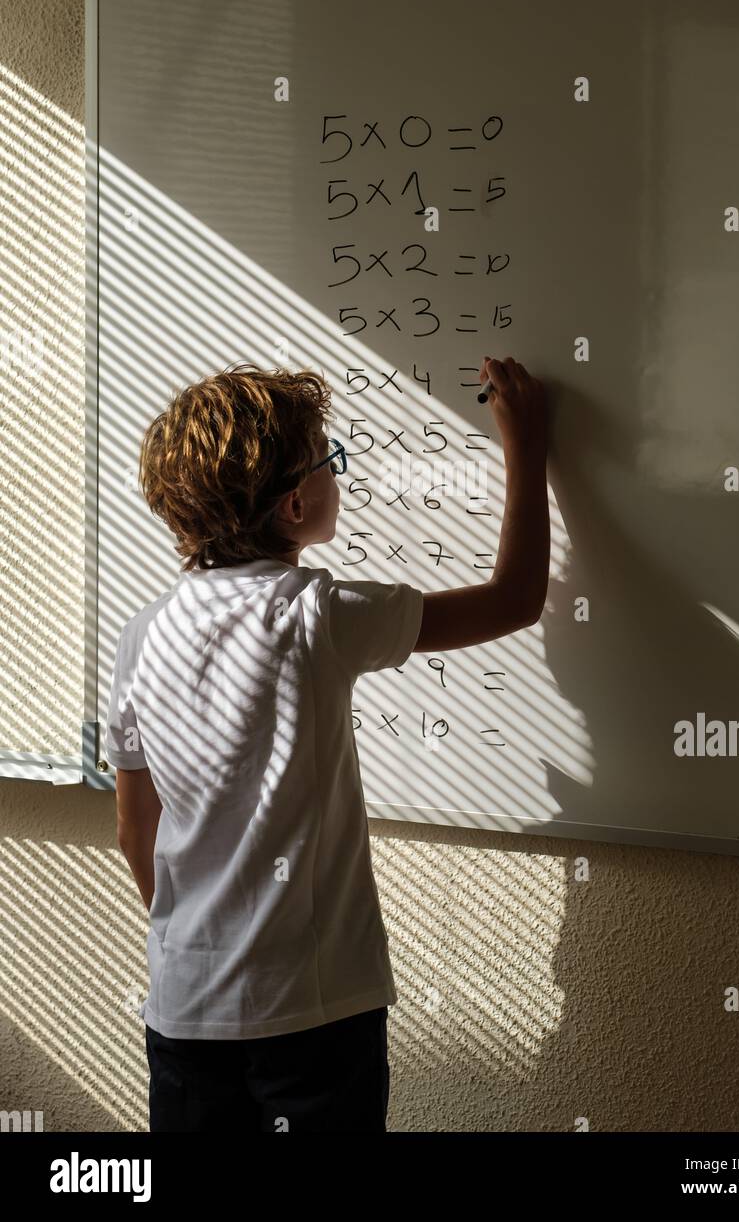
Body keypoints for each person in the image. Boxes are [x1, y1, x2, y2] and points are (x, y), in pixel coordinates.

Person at [105, 354, 549, 1132]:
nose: (338, 476)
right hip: (309, 1013)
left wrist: (200, 944)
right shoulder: (316, 614)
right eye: (328, 459)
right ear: (295, 502)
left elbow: (134, 829)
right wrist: (527, 447)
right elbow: (515, 600)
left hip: (182, 1011)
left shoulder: (143, 635)